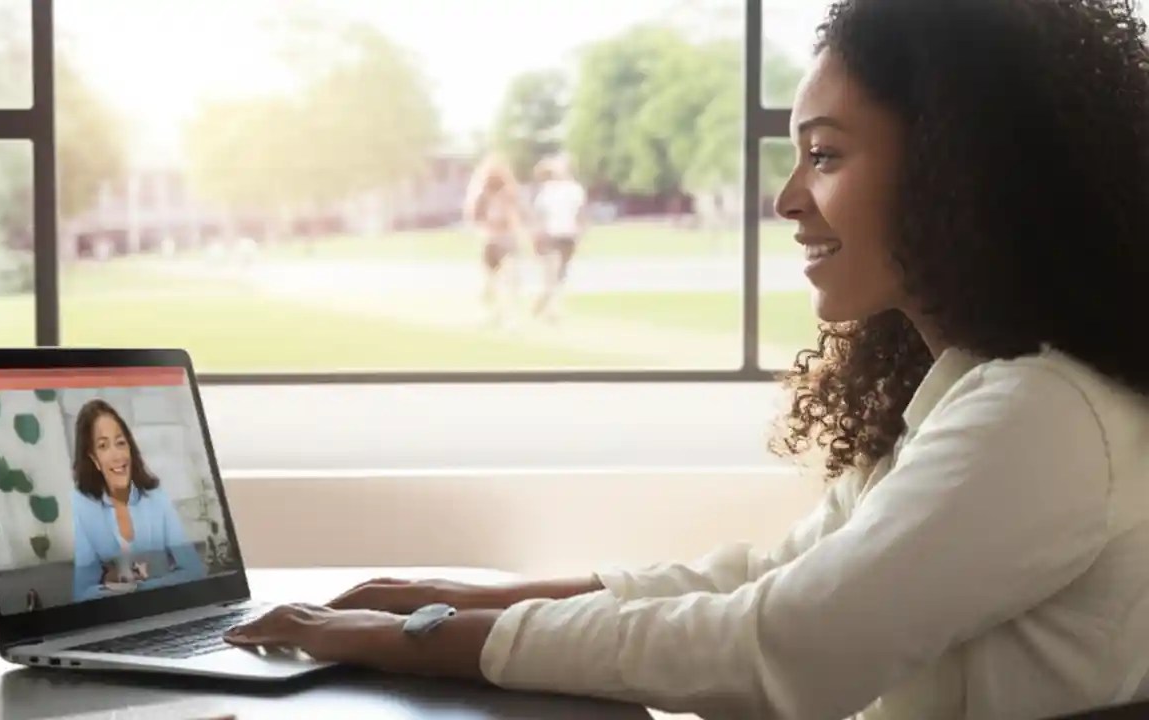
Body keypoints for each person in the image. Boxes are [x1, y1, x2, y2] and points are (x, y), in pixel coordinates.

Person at [224, 1, 1149, 717]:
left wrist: (420, 639)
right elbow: (763, 575)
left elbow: (776, 647)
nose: (789, 198)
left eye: (823, 155)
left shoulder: (1044, 417)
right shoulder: (973, 397)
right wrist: (463, 596)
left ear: (958, 169)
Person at [71, 398, 206, 602]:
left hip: (167, 609)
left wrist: (132, 588)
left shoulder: (156, 497)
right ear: (94, 459)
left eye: (120, 443)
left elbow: (194, 571)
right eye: (103, 446)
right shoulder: (85, 507)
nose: (117, 456)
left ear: (130, 448)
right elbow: (82, 593)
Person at [464, 153, 528, 326]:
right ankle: (495, 314)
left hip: (502, 240)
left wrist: (518, 235)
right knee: (492, 282)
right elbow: (475, 218)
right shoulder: (482, 195)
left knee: (508, 279)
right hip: (492, 240)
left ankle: (506, 316)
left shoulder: (507, 193)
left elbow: (513, 216)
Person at [530, 154, 587, 322]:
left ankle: (543, 304)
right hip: (550, 236)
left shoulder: (575, 190)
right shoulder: (548, 190)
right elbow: (539, 214)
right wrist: (537, 235)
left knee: (560, 275)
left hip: (568, 235)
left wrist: (581, 233)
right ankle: (550, 311)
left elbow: (580, 213)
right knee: (552, 273)